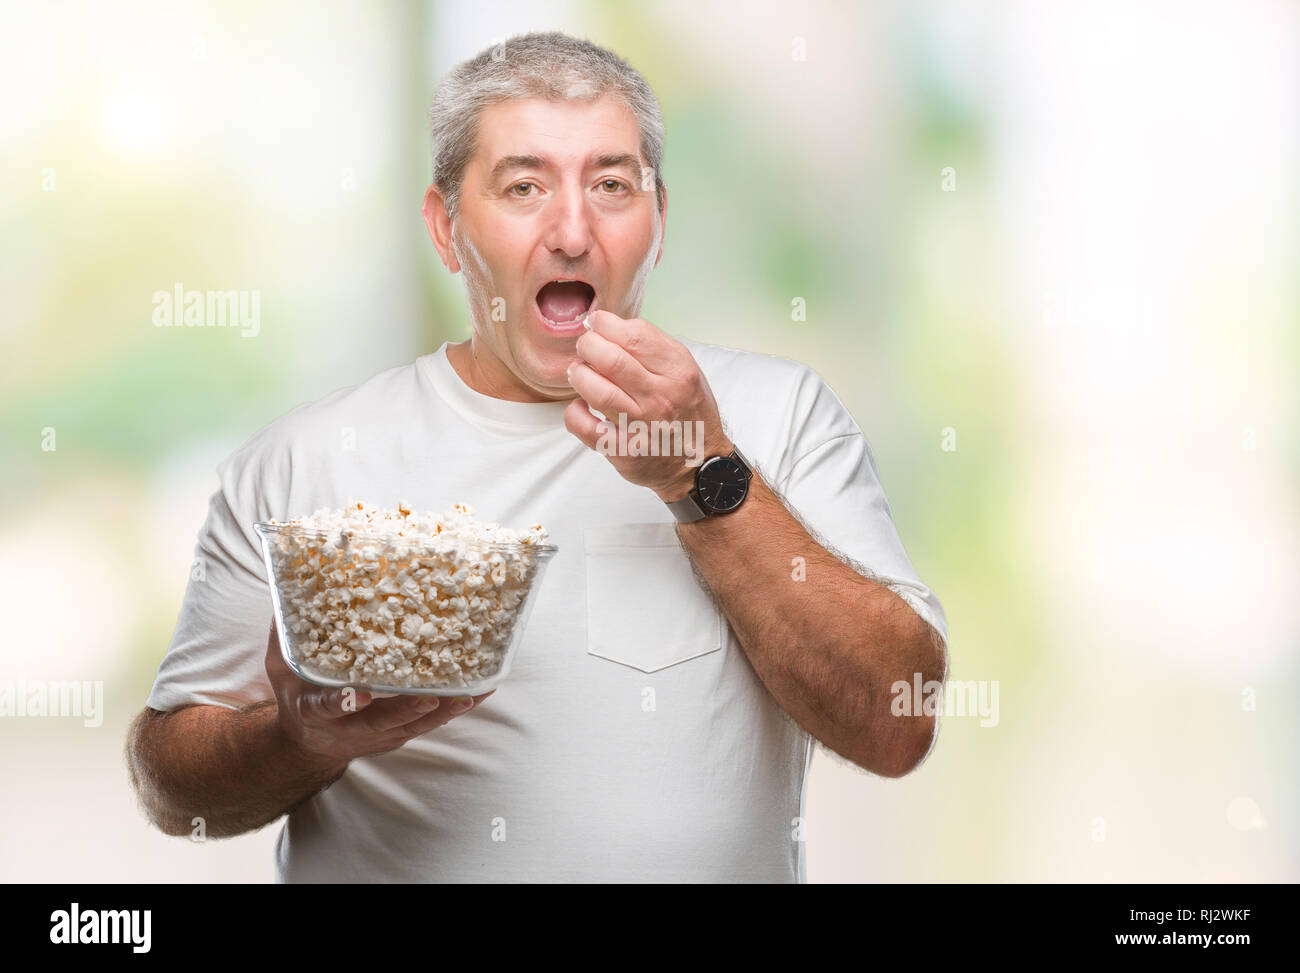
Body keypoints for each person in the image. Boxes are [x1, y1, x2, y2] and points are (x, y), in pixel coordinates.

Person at [126, 30, 948, 883]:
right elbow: (173, 790)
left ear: (659, 222)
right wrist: (297, 738)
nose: (572, 231)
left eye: (611, 185)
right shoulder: (306, 460)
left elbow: (899, 723)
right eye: (524, 187)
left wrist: (701, 472)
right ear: (446, 229)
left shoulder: (782, 416)